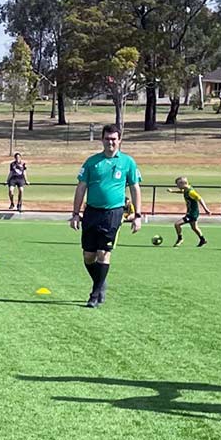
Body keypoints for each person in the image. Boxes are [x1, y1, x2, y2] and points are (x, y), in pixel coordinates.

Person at [70, 124, 143, 309]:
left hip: (113, 213)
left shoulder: (128, 162)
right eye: (107, 138)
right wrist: (75, 214)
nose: (110, 142)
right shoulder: (92, 162)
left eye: (114, 139)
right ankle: (100, 281)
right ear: (102, 139)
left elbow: (135, 188)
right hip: (91, 212)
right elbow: (81, 188)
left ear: (119, 140)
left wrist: (138, 215)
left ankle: (94, 295)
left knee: (104, 253)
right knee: (88, 256)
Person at [168, 176, 207, 248]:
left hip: (192, 214)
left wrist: (206, 209)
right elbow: (182, 191)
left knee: (177, 224)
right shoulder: (186, 189)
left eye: (178, 184)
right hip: (191, 212)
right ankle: (202, 240)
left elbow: (200, 199)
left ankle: (180, 239)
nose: (177, 186)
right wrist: (172, 191)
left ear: (183, 183)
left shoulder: (191, 192)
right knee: (194, 228)